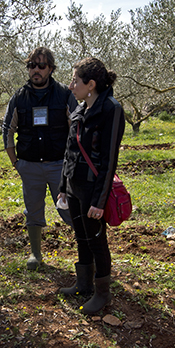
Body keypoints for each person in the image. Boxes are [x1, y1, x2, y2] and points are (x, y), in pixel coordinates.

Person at [57, 57, 125, 315]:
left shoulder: (110, 109)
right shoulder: (79, 109)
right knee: (81, 237)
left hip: (92, 188)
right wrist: (64, 185)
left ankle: (102, 294)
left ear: (91, 84)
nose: (71, 85)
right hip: (75, 186)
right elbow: (69, 150)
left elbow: (109, 160)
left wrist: (99, 201)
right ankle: (83, 283)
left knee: (97, 241)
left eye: (76, 80)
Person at [2, 47, 77, 269]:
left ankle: (87, 251)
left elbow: (77, 127)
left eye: (41, 66)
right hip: (30, 166)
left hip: (59, 166)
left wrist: (71, 163)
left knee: (69, 210)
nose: (36, 70)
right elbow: (8, 128)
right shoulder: (19, 97)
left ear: (51, 69)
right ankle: (36, 254)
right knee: (33, 211)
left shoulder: (65, 94)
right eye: (32, 66)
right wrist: (15, 162)